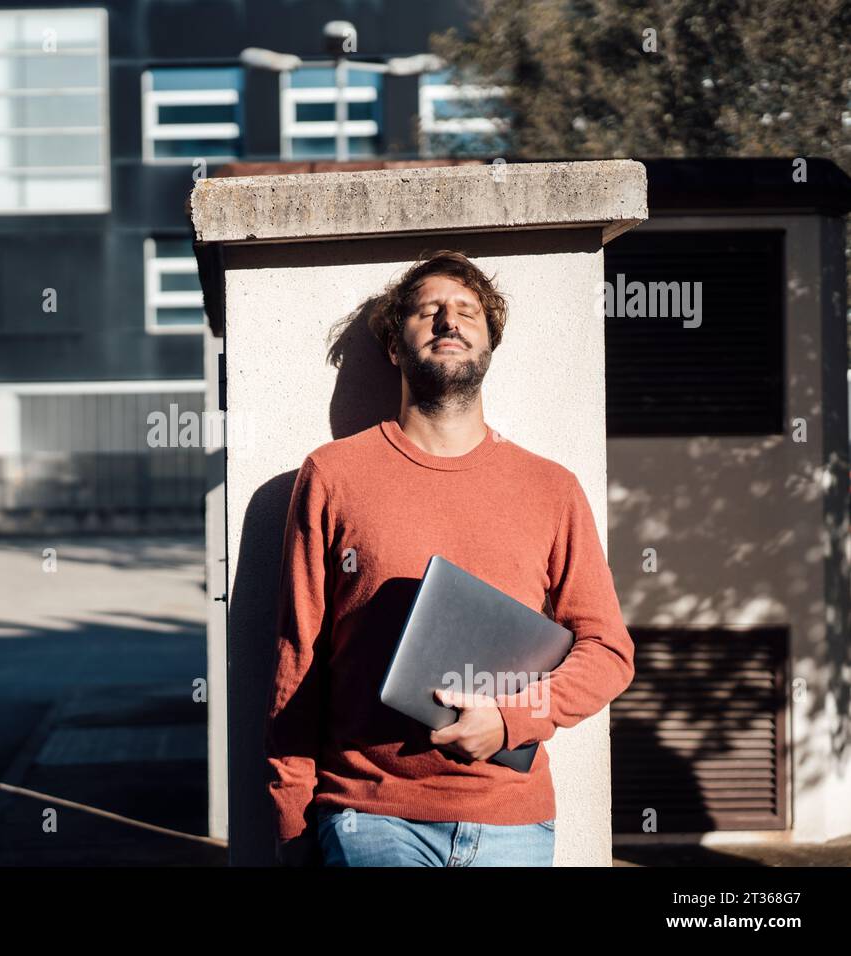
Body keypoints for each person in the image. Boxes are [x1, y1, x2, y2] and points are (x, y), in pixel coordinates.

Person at [265, 250, 636, 867]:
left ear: (489, 345)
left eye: (467, 312)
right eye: (427, 311)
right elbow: (296, 659)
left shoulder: (551, 487)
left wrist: (512, 719)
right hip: (371, 814)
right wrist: (290, 817)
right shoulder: (333, 474)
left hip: (512, 816)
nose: (448, 321)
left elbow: (608, 652)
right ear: (393, 346)